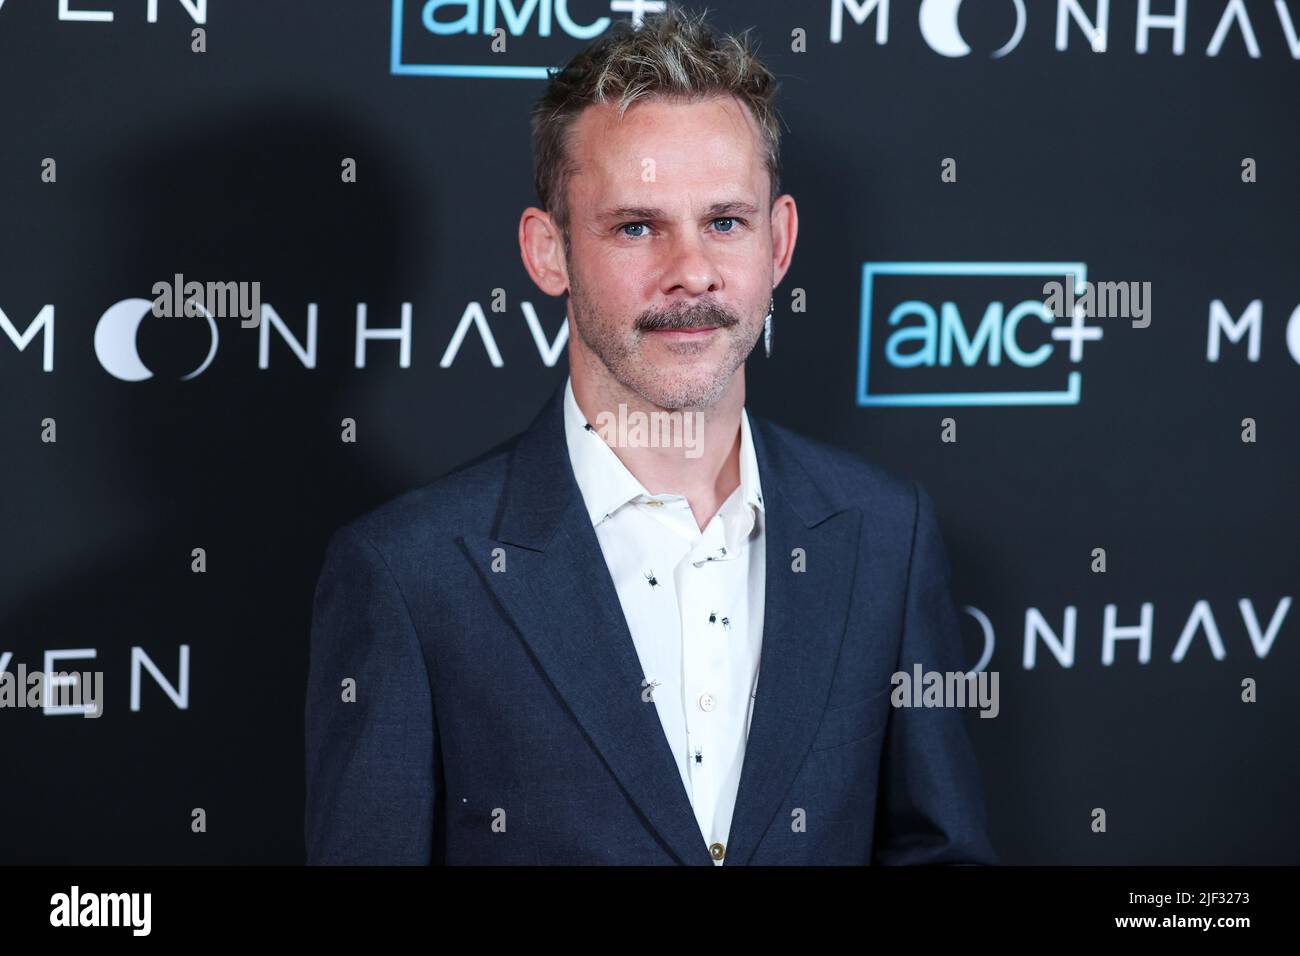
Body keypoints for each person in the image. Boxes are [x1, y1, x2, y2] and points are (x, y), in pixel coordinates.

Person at [305, 5, 996, 866]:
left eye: (725, 222)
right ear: (548, 251)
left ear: (778, 242)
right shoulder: (410, 574)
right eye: (636, 227)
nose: (691, 272)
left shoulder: (887, 534)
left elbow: (940, 854)